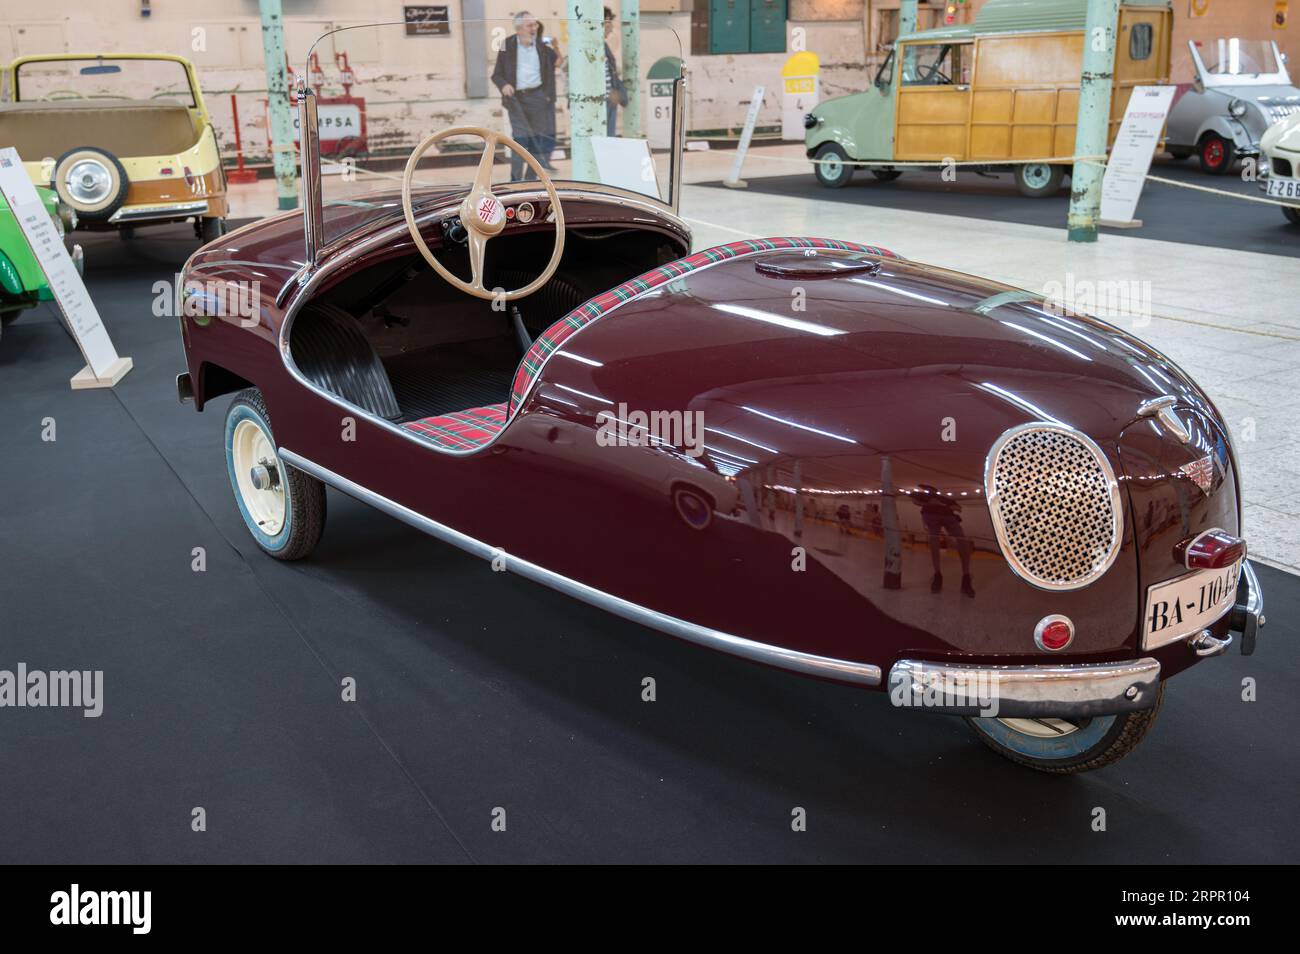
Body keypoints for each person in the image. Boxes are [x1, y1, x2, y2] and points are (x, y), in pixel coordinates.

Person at [491, 12, 558, 180]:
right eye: (530, 26)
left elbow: (557, 62)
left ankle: (530, 181)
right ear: (519, 28)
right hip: (516, 100)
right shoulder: (507, 44)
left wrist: (555, 46)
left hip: (538, 98)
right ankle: (515, 181)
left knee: (537, 142)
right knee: (520, 141)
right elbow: (496, 74)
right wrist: (504, 85)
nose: (534, 28)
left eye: (535, 25)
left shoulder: (542, 46)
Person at [534, 21, 564, 170]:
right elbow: (559, 62)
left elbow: (558, 62)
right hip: (542, 98)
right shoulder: (542, 50)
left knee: (545, 130)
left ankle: (542, 161)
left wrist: (555, 47)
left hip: (542, 98)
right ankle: (541, 161)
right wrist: (556, 46)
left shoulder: (543, 50)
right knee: (546, 130)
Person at [603, 7, 628, 137]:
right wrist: (610, 92)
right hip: (605, 100)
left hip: (607, 99)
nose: (612, 28)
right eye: (610, 22)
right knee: (607, 137)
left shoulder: (602, 45)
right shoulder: (596, 46)